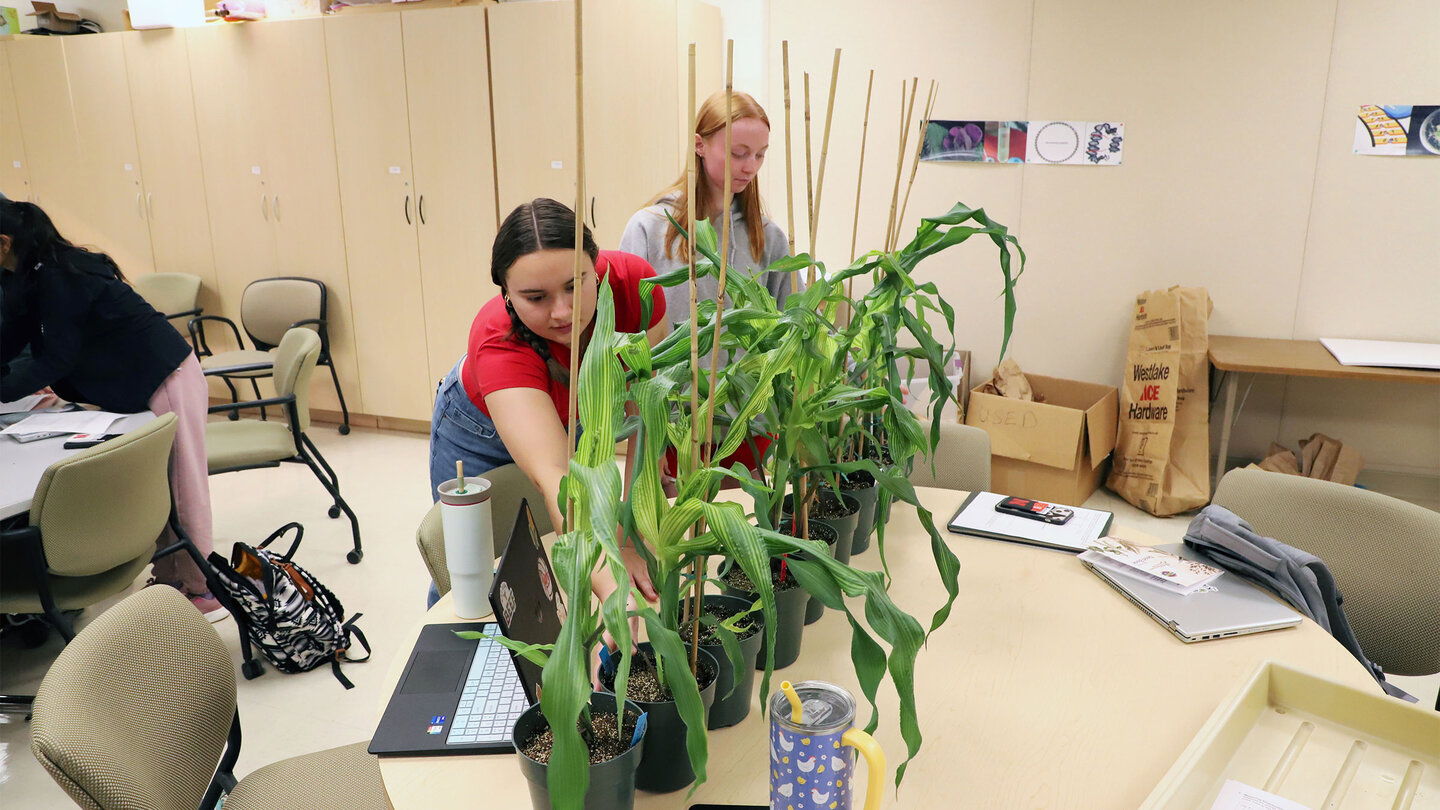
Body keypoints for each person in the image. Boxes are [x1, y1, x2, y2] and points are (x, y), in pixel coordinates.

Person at [428, 198, 668, 614]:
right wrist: (613, 587)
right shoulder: (499, 340)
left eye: (576, 285)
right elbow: (556, 477)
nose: (563, 312)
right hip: (477, 430)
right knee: (473, 574)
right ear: (506, 294)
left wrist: (627, 540)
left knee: (558, 565)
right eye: (536, 297)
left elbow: (647, 413)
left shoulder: (635, 288)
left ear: (596, 267)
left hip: (569, 411)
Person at [0, 200, 225, 620]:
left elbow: (56, 360)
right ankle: (172, 576)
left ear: (2, 243)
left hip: (165, 375)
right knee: (156, 487)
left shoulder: (59, 274)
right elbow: (11, 335)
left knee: (182, 486)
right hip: (130, 383)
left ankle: (202, 587)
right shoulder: (24, 276)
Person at [619, 89, 792, 481]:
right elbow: (627, 343)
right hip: (673, 428)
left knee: (739, 534)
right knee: (674, 539)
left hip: (745, 428)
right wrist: (645, 436)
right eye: (738, 152)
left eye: (760, 154)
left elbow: (792, 331)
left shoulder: (767, 237)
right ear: (699, 145)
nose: (751, 166)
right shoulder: (649, 229)